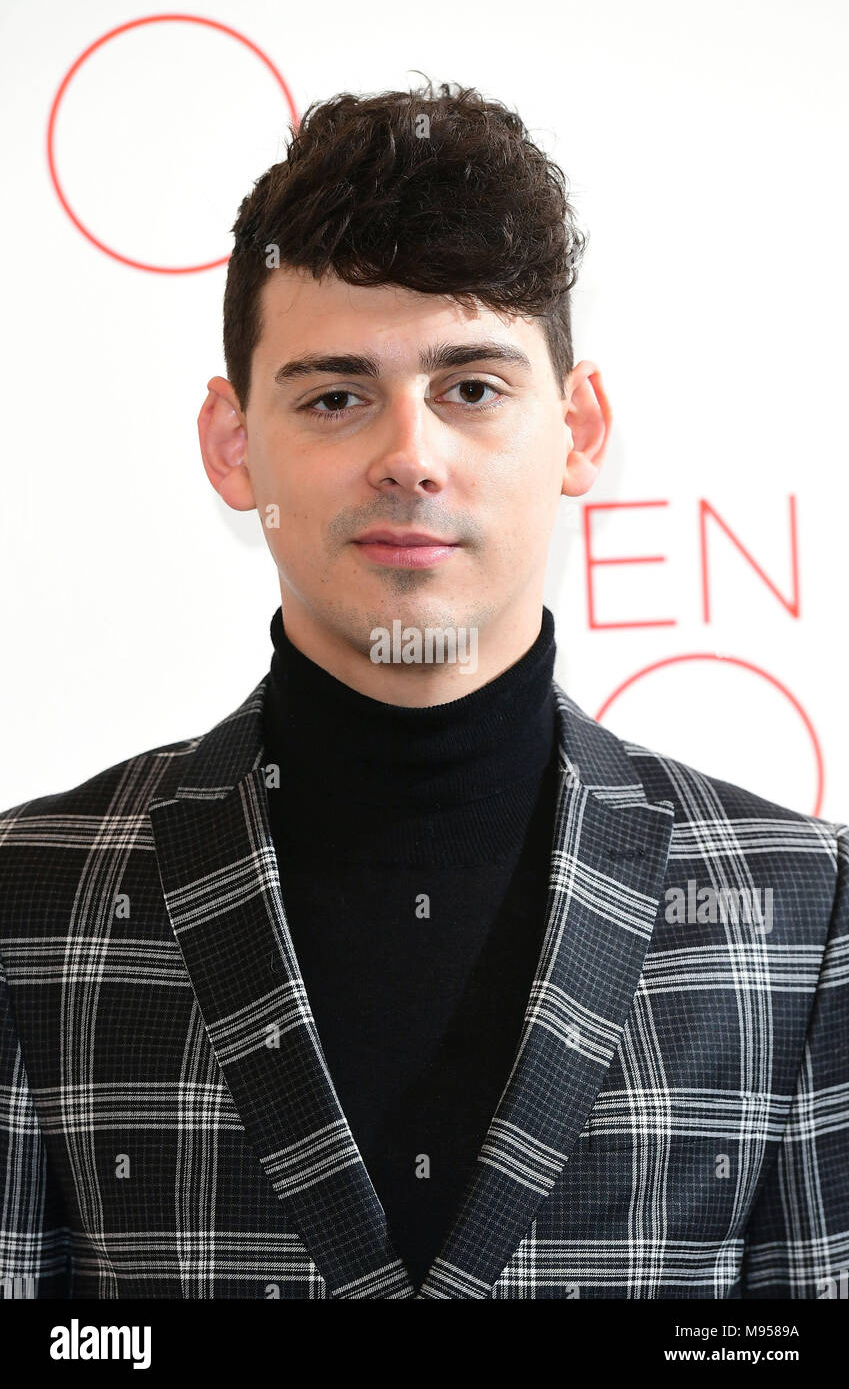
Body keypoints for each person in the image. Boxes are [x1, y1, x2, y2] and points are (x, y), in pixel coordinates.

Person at [1, 80, 846, 1301]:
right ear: (234, 444)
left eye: (473, 387)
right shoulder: (33, 900)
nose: (409, 454)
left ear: (580, 427)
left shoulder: (804, 911)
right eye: (336, 395)